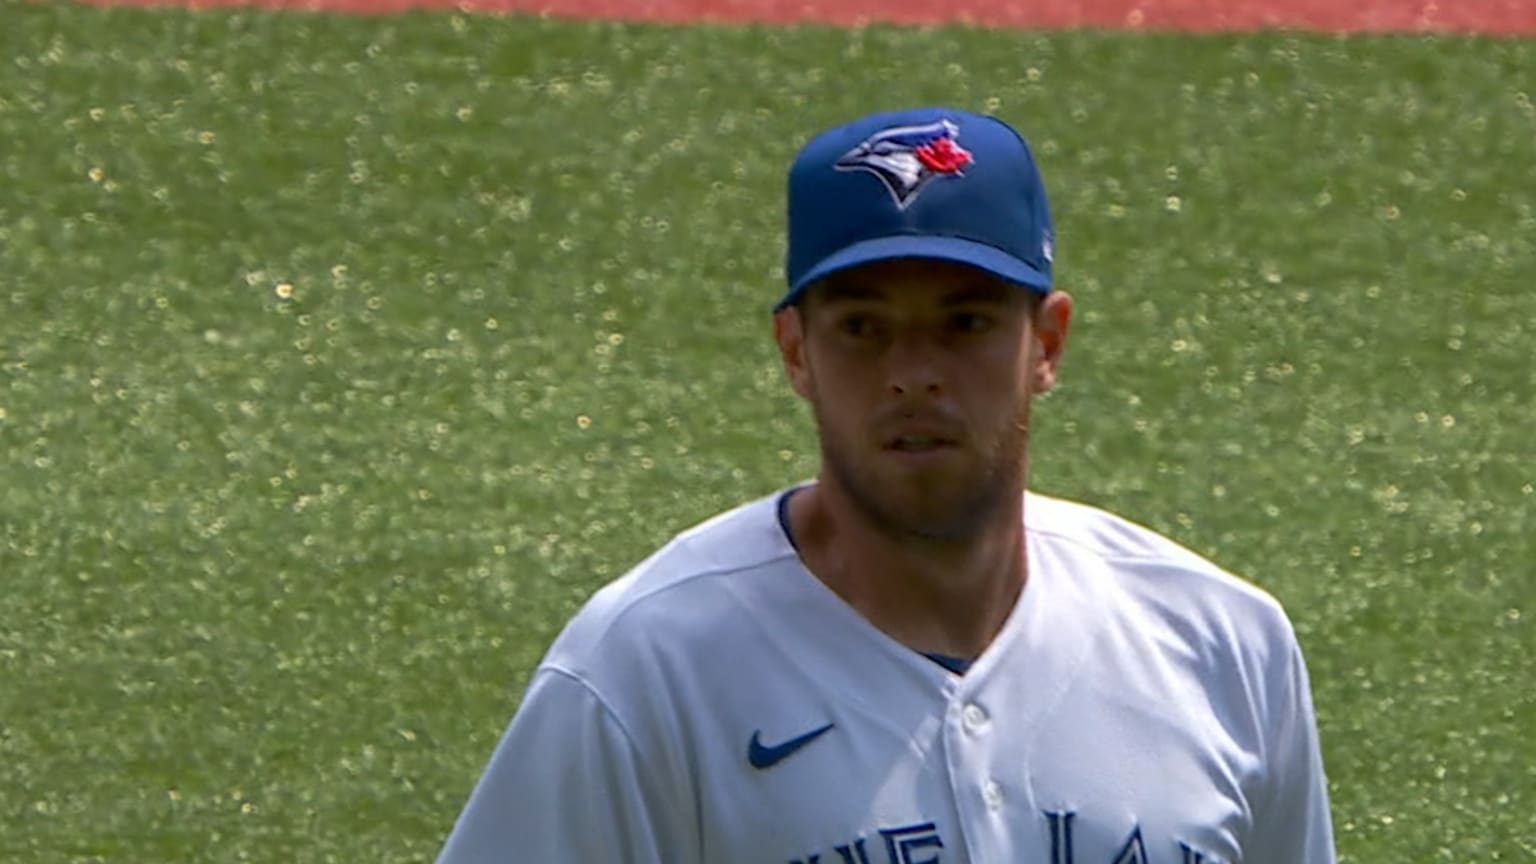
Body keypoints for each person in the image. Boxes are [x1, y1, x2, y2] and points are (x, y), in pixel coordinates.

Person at [435, 106, 1336, 864]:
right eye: (864, 327)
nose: (913, 373)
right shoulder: (647, 669)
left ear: (1046, 345)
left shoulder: (1222, 643)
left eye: (966, 322)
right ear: (797, 352)